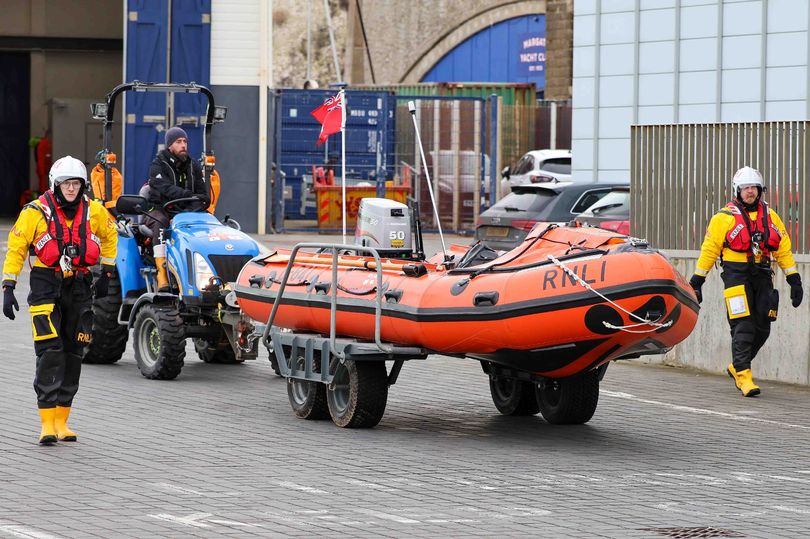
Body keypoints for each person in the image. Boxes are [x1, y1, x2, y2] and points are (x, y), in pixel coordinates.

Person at [2, 156, 118, 444]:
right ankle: (46, 423)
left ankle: (63, 421)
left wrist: (107, 272)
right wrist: (8, 285)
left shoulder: (94, 211)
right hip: (45, 284)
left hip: (79, 285)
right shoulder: (34, 213)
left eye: (76, 183)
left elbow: (110, 236)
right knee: (50, 352)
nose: (71, 188)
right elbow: (16, 248)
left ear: (82, 186)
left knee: (73, 353)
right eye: (67, 183)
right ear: (56, 184)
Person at [689, 166, 803, 397]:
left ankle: (737, 365)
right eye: (746, 188)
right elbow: (709, 250)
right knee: (743, 325)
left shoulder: (771, 216)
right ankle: (744, 376)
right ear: (737, 191)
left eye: (754, 188)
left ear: (761, 190)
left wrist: (794, 279)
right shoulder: (723, 218)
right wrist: (697, 281)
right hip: (736, 275)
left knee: (763, 326)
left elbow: (783, 248)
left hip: (762, 274)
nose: (750, 192)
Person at [145, 126, 209, 291]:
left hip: (186, 213)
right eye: (178, 142)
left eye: (185, 142)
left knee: (210, 224)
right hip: (160, 210)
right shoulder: (157, 164)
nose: (183, 145)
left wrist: (193, 206)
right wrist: (188, 195)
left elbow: (203, 194)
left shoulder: (193, 166)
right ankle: (162, 274)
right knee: (161, 222)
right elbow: (163, 187)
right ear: (169, 146)